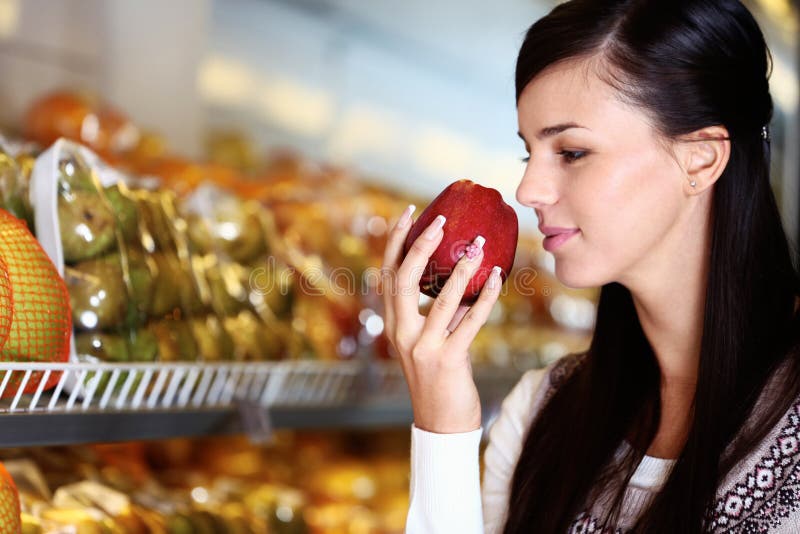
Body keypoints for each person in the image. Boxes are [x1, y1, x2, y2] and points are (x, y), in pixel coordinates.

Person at [380, 0, 800, 532]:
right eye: (528, 153)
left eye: (572, 152)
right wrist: (443, 425)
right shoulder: (539, 413)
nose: (527, 190)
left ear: (702, 157)